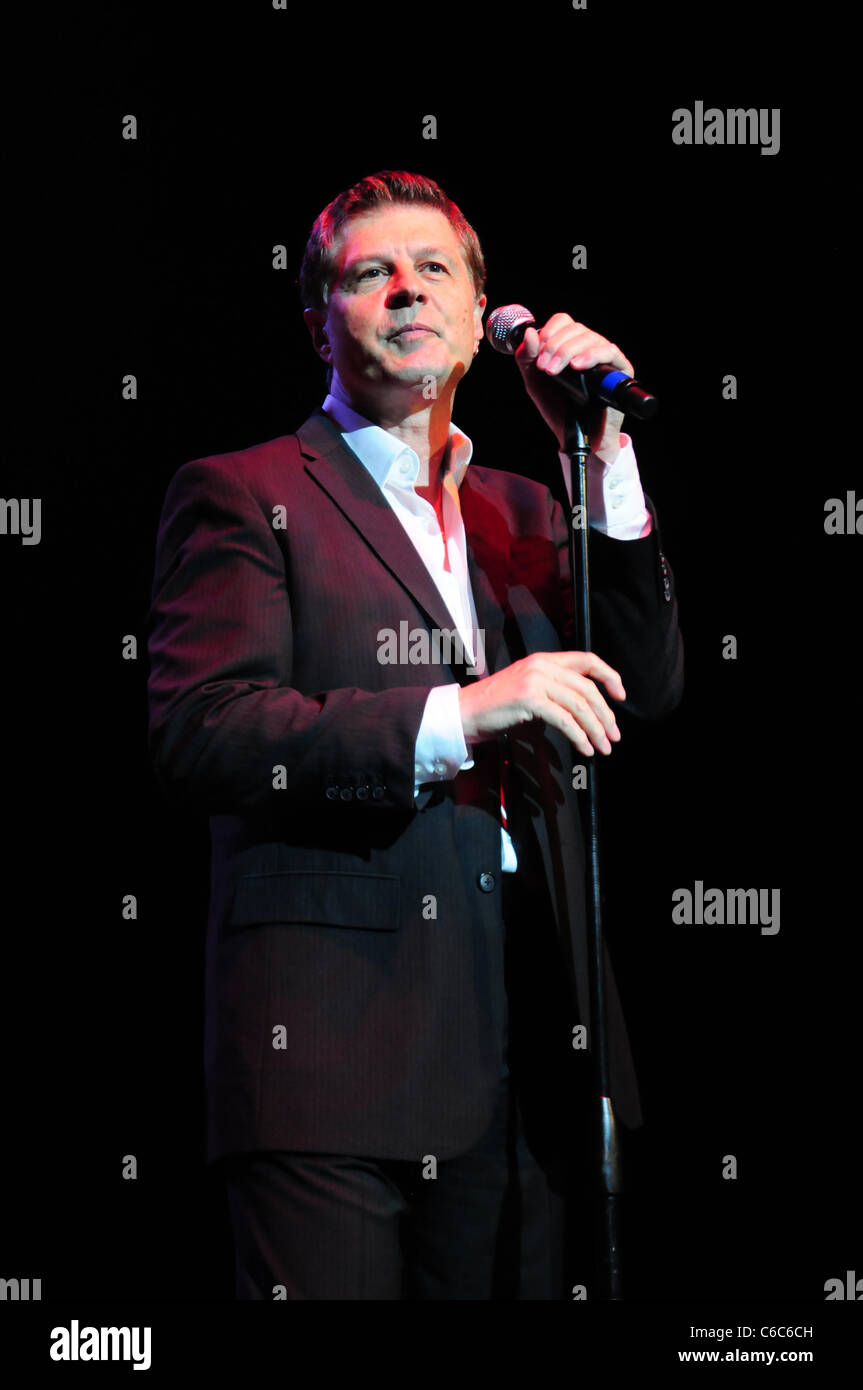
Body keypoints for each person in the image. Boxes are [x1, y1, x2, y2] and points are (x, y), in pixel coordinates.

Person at [146, 170, 684, 1300]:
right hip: (333, 1045)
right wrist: (460, 711)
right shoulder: (244, 494)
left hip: (533, 1041)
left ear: (480, 315)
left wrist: (601, 458)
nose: (405, 290)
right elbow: (204, 732)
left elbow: (646, 687)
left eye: (433, 268)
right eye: (369, 272)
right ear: (317, 322)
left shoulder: (528, 507)